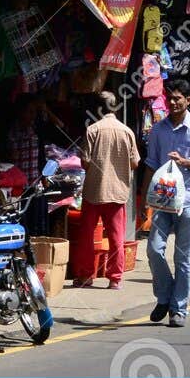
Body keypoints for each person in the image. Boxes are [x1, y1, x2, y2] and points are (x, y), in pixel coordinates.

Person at [144, 78, 190, 328]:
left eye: (178, 98)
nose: (173, 102)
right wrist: (144, 198)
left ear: (188, 100)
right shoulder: (158, 130)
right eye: (170, 98)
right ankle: (164, 296)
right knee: (153, 249)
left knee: (183, 257)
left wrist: (185, 162)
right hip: (162, 200)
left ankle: (178, 308)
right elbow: (150, 165)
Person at [73, 92, 140, 290]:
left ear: (98, 109)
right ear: (115, 107)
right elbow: (135, 163)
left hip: (94, 191)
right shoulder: (126, 131)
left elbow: (84, 162)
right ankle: (115, 278)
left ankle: (85, 276)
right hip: (118, 192)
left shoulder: (92, 130)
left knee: (87, 235)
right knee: (116, 236)